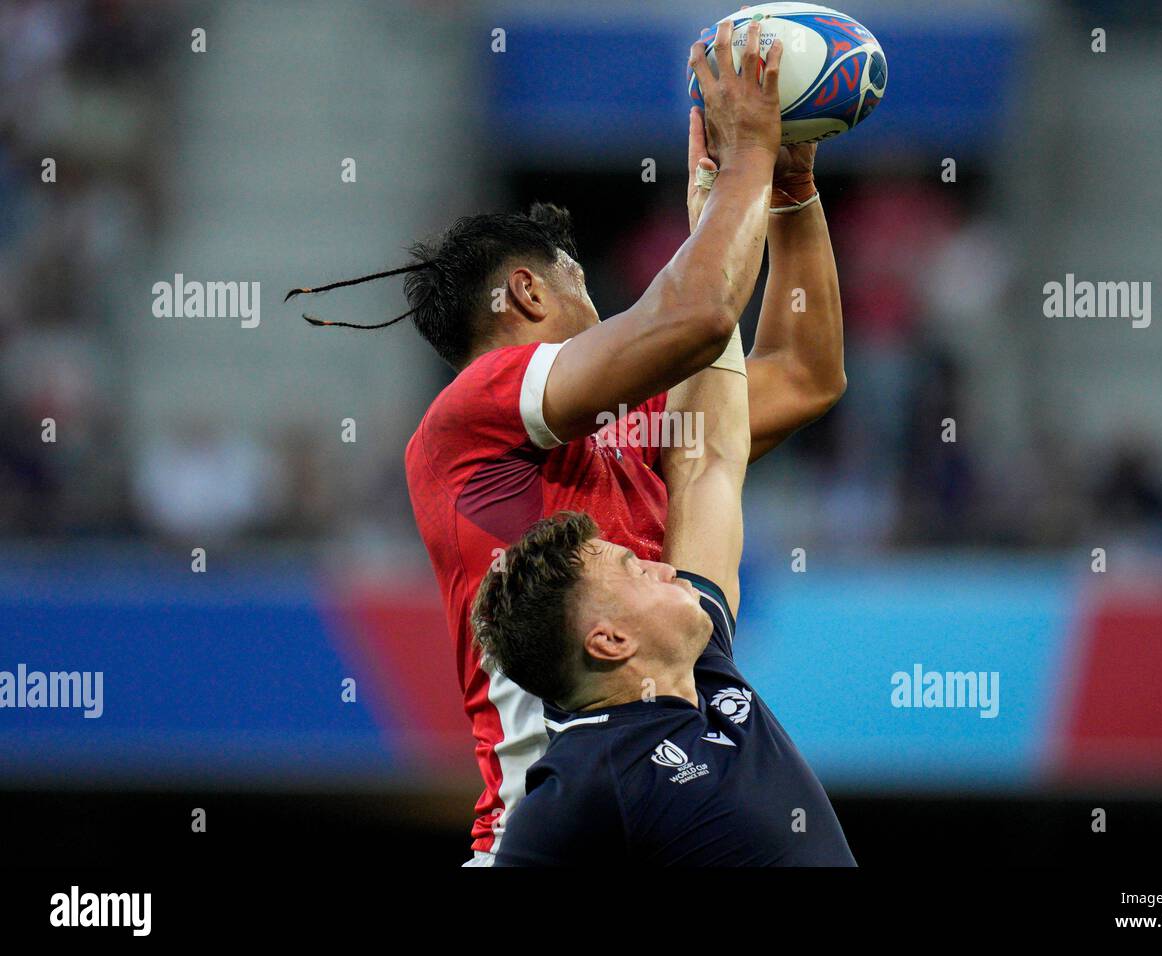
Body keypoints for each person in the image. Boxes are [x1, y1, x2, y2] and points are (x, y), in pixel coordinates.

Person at [288, 18, 846, 862]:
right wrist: (746, 161)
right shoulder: (468, 418)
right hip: (552, 823)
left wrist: (790, 191)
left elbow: (804, 374)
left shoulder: (630, 432)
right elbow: (693, 317)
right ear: (526, 292)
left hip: (672, 801)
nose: (605, 316)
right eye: (581, 284)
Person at [474, 312, 855, 866]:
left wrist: (720, 236)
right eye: (634, 570)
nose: (663, 567)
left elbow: (710, 461)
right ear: (608, 641)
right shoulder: (589, 774)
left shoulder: (704, 664)